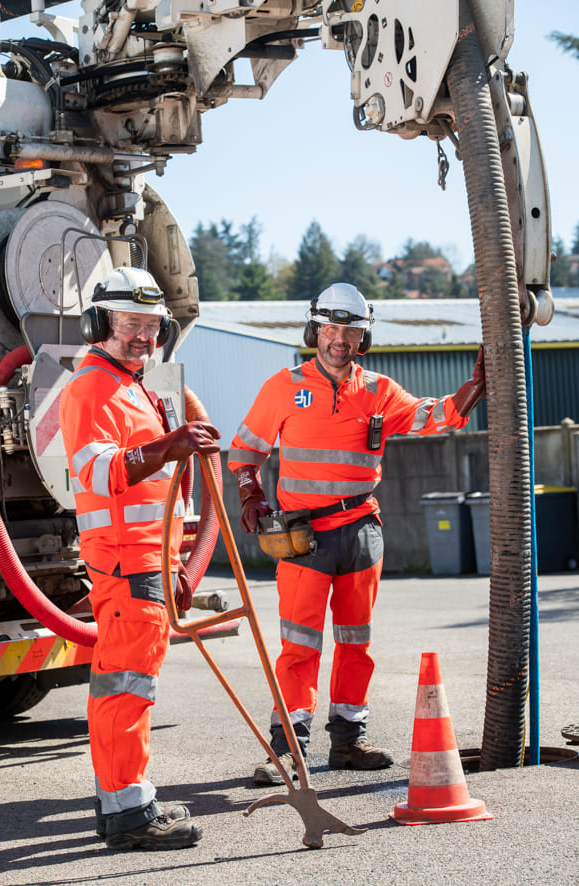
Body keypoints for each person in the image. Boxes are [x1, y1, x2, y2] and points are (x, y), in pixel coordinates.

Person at [228, 282, 486, 785]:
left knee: (355, 642)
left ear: (363, 338)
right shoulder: (283, 387)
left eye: (350, 332)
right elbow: (244, 452)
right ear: (315, 331)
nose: (339, 340)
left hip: (361, 530)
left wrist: (472, 389)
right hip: (302, 536)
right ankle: (289, 749)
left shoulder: (380, 391)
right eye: (330, 329)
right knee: (299, 645)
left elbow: (433, 416)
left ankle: (348, 741)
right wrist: (249, 494)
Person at [60, 267, 221, 850]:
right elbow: (98, 471)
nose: (144, 336)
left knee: (123, 685)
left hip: (145, 563)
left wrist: (175, 563)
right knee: (127, 688)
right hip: (127, 566)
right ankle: (130, 813)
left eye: (153, 325)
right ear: (99, 323)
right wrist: (169, 445)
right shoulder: (92, 388)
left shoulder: (130, 386)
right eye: (131, 323)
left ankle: (121, 803)